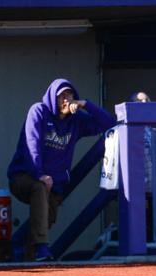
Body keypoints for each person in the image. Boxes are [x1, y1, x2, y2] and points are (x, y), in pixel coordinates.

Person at [7, 78, 115, 262]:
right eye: (61, 96)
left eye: (69, 95)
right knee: (39, 188)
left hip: (54, 184)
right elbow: (31, 145)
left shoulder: (76, 120)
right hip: (23, 176)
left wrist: (85, 104)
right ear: (52, 97)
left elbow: (108, 123)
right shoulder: (39, 111)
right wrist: (40, 174)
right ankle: (42, 248)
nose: (66, 99)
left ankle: (27, 259)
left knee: (46, 218)